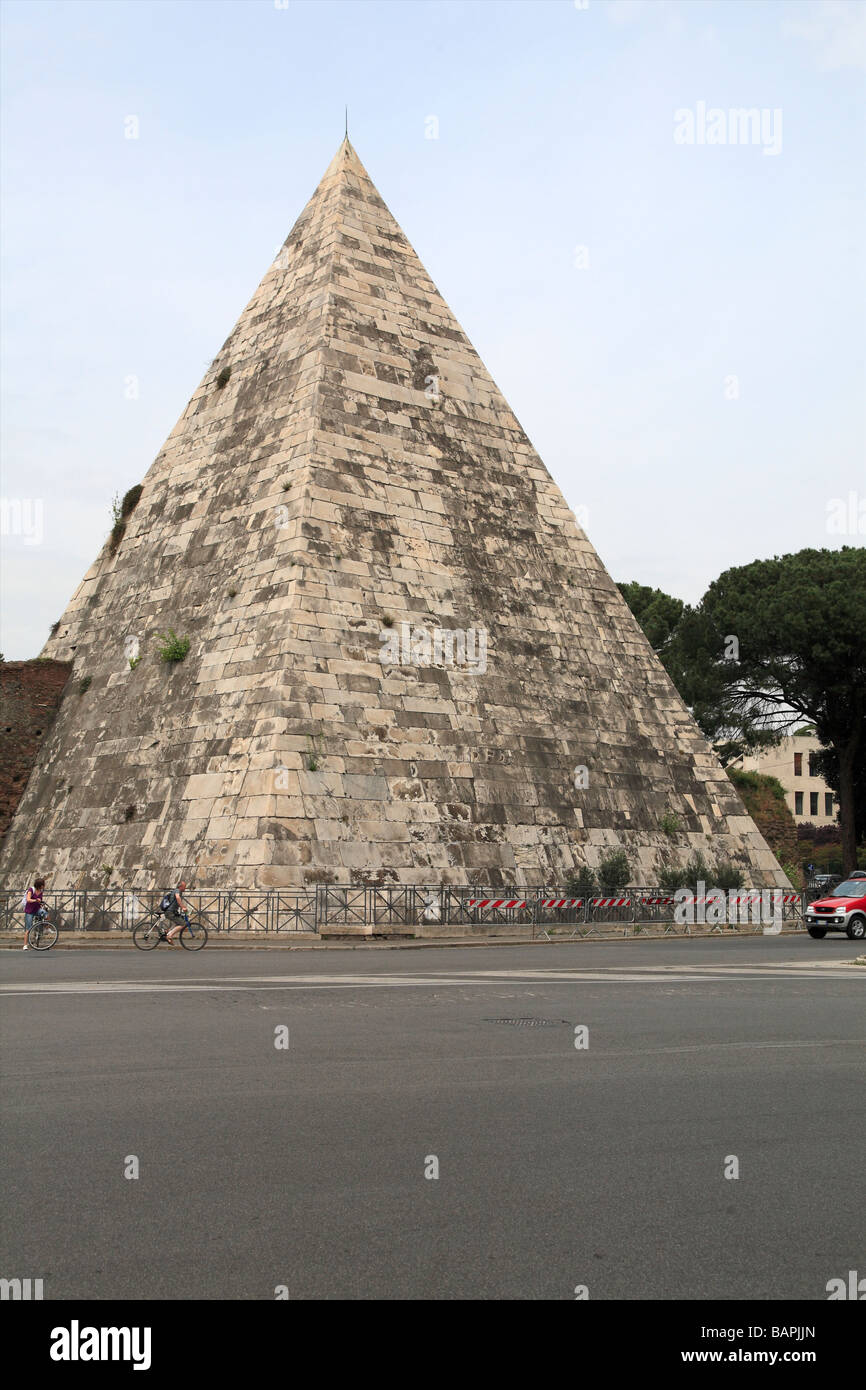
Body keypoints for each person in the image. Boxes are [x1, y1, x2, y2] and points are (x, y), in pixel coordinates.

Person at [23, 877, 46, 950]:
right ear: (40, 885)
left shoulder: (41, 891)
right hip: (29, 911)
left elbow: (39, 901)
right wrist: (36, 900)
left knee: (46, 914)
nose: (44, 885)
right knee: (28, 929)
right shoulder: (31, 890)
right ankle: (25, 945)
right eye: (43, 884)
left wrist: (41, 903)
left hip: (37, 910)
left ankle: (47, 928)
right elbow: (28, 900)